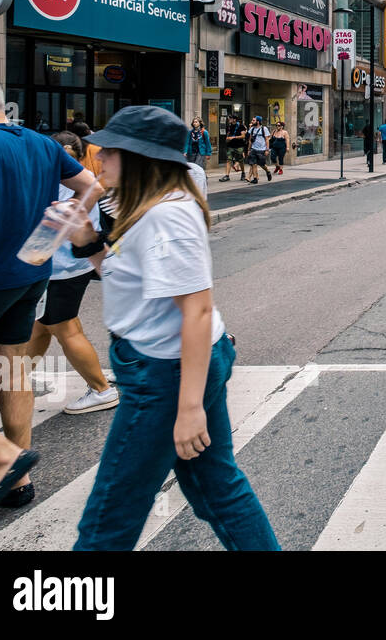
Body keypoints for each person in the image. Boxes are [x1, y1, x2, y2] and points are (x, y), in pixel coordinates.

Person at [66, 106, 279, 550]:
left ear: (141, 157)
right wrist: (87, 240)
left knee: (110, 514)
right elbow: (134, 284)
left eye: (110, 150)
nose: (98, 157)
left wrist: (188, 409)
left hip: (164, 373)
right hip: (167, 366)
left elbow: (197, 311)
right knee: (216, 490)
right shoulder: (146, 208)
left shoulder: (166, 217)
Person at [0, 71, 99, 522]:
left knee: (7, 365)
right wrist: (51, 237)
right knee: (8, 364)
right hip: (30, 275)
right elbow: (92, 187)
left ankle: (2, 456)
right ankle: (17, 482)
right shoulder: (41, 143)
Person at [17, 132, 118, 417]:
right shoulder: (81, 178)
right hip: (72, 265)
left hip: (59, 267)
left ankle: (101, 389)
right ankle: (13, 382)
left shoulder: (57, 181)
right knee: (41, 325)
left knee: (64, 328)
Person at [245, 116, 273, 184]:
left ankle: (267, 171)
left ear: (258, 121)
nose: (252, 121)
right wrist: (249, 150)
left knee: (262, 164)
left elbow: (267, 140)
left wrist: (267, 149)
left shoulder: (264, 128)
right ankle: (255, 179)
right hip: (253, 149)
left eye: (253, 120)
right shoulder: (252, 129)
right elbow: (250, 140)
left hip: (261, 150)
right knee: (253, 164)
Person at [220, 115, 246, 183]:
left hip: (239, 146)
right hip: (230, 146)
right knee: (228, 160)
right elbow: (228, 135)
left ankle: (243, 173)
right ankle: (227, 176)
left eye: (230, 118)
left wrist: (233, 137)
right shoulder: (229, 126)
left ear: (234, 119)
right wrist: (227, 139)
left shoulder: (241, 126)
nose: (229, 120)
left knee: (240, 160)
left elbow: (243, 136)